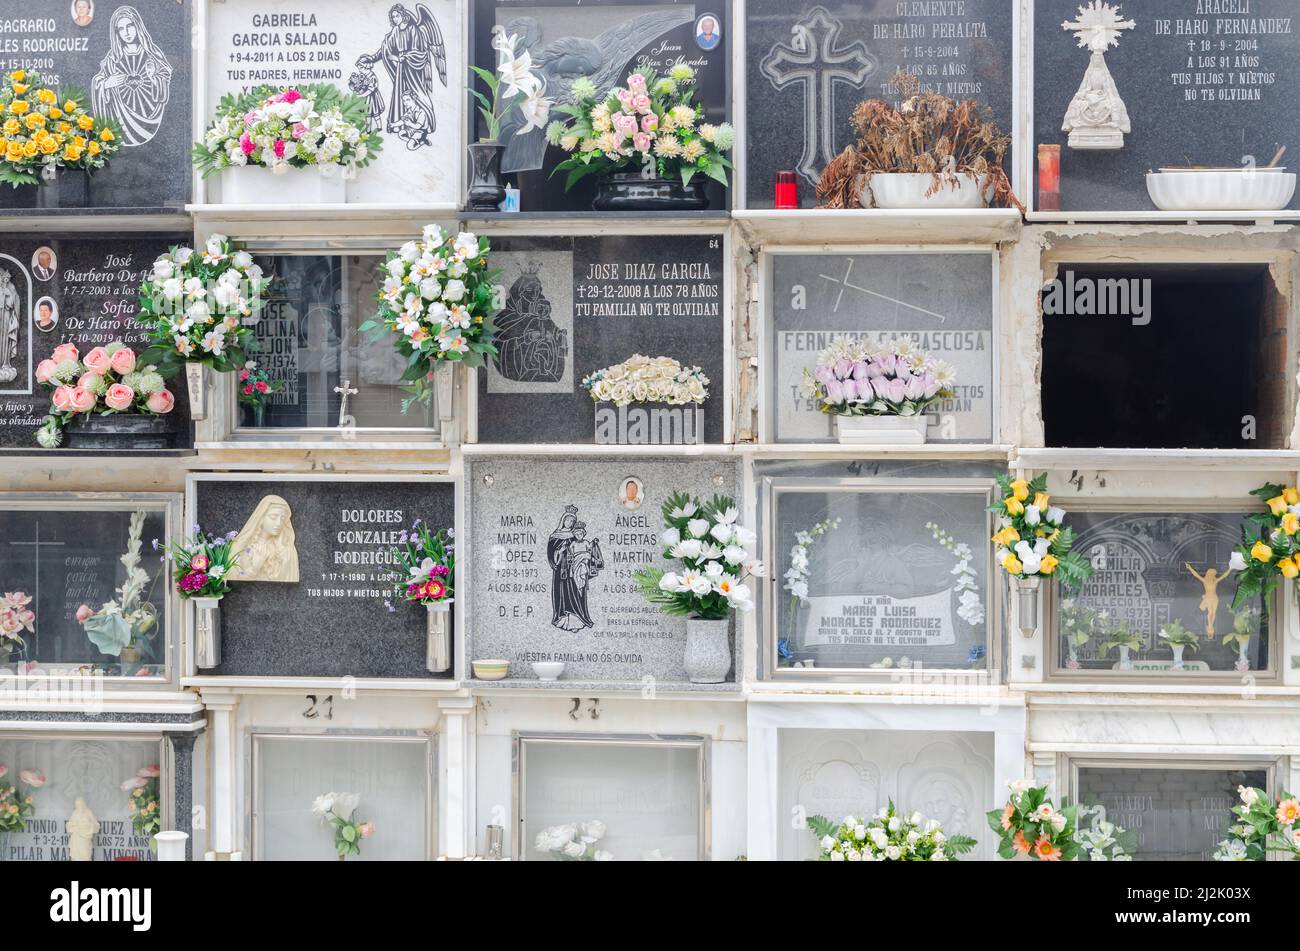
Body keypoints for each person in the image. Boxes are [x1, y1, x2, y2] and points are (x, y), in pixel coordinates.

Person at [92, 5, 174, 147]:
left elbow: (165, 75)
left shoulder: (152, 54)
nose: (127, 32)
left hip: (150, 119)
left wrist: (154, 77)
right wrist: (106, 84)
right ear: (117, 33)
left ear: (137, 26)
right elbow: (99, 81)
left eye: (130, 26)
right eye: (121, 29)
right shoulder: (113, 58)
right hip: (120, 120)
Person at [230, 495, 299, 583]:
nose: (279, 523)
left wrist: (285, 560)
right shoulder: (240, 546)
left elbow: (288, 581)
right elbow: (232, 578)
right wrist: (255, 568)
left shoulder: (285, 549)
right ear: (261, 518)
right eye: (273, 517)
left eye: (282, 519)